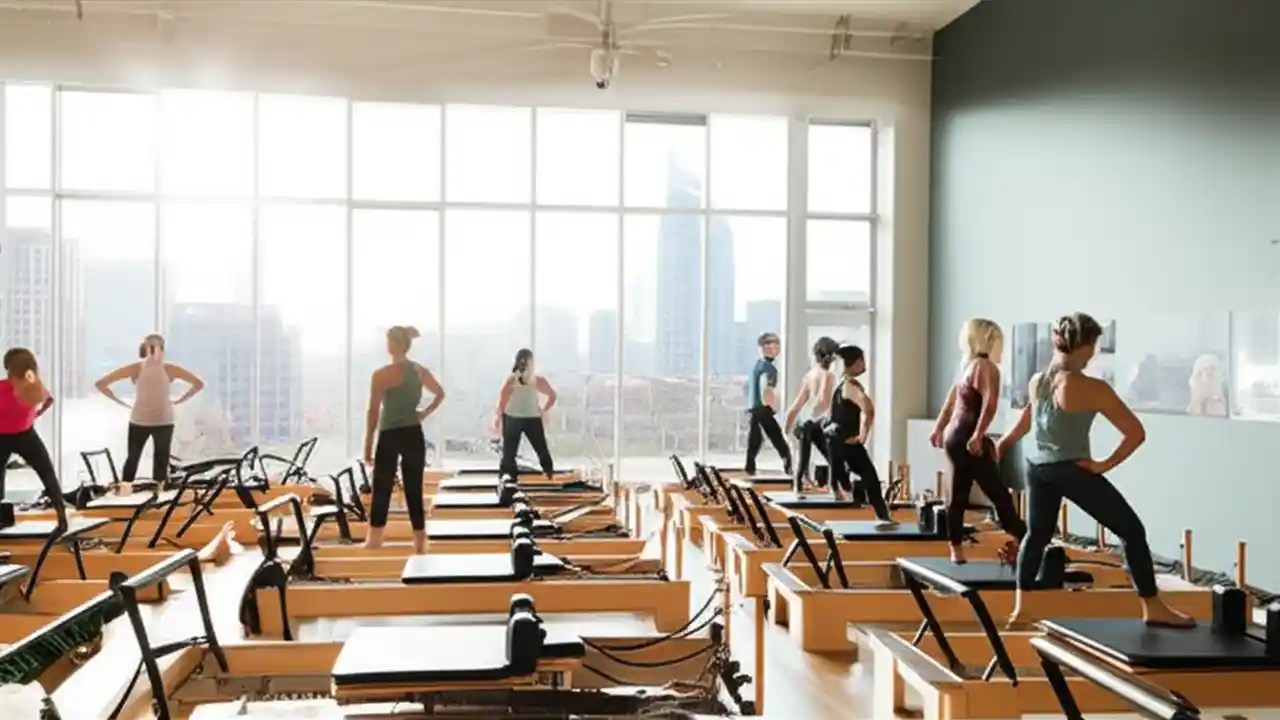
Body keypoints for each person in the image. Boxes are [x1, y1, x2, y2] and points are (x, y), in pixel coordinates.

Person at [995, 312, 1194, 628]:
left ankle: (1021, 610)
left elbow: (1027, 420)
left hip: (1038, 468)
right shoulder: (1090, 387)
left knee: (1037, 536)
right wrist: (1103, 465)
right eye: (1094, 345)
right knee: (1132, 531)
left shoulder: (1038, 381)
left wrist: (1003, 444)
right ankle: (1153, 607)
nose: (1094, 353)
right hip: (1070, 469)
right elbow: (1135, 433)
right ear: (1085, 346)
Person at [930, 319, 1026, 564]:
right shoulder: (986, 366)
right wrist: (978, 435)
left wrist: (939, 428)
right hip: (967, 438)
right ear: (990, 341)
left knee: (957, 494)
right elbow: (990, 403)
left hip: (953, 437)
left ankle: (956, 550)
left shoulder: (967, 365)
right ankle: (1026, 540)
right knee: (999, 495)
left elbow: (951, 402)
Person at [362, 326, 445, 553]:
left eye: (388, 341)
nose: (386, 344)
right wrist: (423, 413)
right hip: (412, 433)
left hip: (389, 434)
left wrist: (368, 443)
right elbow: (440, 393)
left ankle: (375, 540)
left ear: (396, 344)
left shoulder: (381, 374)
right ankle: (419, 542)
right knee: (413, 488)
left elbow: (373, 411)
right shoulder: (418, 371)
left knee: (382, 488)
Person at [94, 334, 205, 485]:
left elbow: (198, 384)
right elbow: (101, 384)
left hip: (164, 421)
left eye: (157, 347)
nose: (154, 351)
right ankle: (126, 490)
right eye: (150, 347)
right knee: (133, 460)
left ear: (162, 349)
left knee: (161, 462)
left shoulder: (170, 369)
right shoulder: (136, 368)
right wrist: (120, 402)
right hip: (140, 421)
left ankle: (158, 493)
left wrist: (179, 401)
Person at [824, 345, 896, 526]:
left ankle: (880, 515)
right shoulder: (849, 386)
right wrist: (863, 435)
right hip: (845, 441)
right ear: (854, 362)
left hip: (836, 439)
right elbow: (868, 409)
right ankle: (882, 517)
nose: (864, 364)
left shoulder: (844, 385)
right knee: (870, 477)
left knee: (859, 477)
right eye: (861, 360)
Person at [0, 348, 63, 526]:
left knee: (46, 473)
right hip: (25, 435)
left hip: (8, 436)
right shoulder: (34, 386)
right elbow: (49, 400)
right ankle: (62, 519)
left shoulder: (4, 387)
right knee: (47, 474)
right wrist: (34, 416)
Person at [784, 336, 840, 490]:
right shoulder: (828, 375)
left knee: (804, 462)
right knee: (831, 458)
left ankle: (799, 490)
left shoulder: (810, 375)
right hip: (814, 421)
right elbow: (824, 401)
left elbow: (797, 404)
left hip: (804, 421)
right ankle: (838, 490)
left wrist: (787, 426)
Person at [493, 349, 557, 479]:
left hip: (528, 418)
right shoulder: (514, 380)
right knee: (509, 455)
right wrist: (498, 418)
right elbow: (503, 399)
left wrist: (543, 410)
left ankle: (548, 475)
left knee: (540, 451)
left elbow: (552, 396)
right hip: (514, 418)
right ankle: (508, 479)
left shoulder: (535, 380)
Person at [744, 332, 792, 476]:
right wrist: (770, 406)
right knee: (775, 436)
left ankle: (750, 466)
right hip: (763, 408)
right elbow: (766, 389)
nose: (777, 350)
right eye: (774, 346)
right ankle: (788, 462)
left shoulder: (756, 366)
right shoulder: (769, 369)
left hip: (754, 408)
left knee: (755, 438)